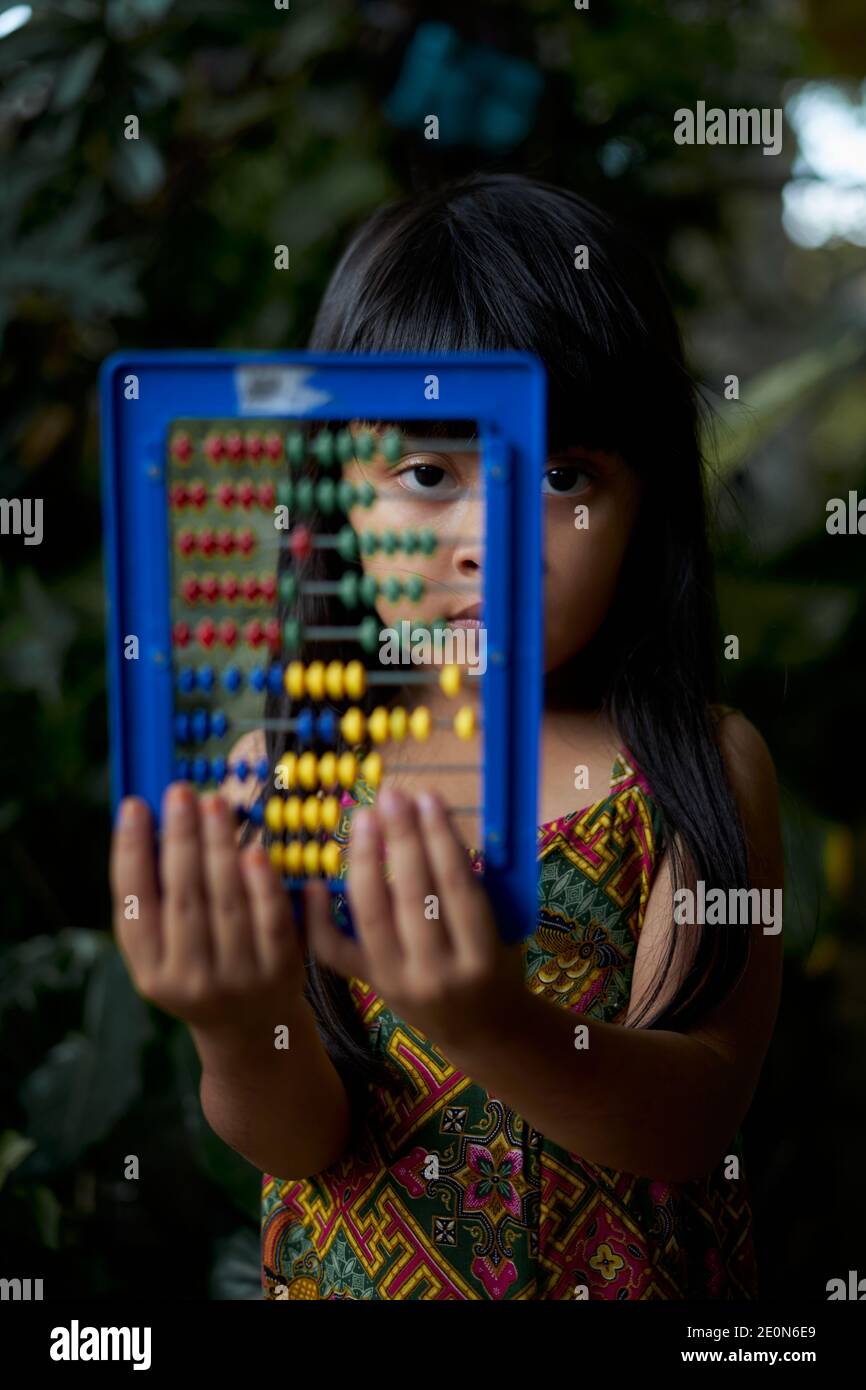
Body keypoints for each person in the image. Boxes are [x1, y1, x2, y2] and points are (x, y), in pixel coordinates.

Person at [110, 173, 783, 1300]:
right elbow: (296, 1144)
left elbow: (694, 1117)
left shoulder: (692, 769)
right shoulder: (284, 777)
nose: (491, 538)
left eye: (563, 474)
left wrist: (492, 1023)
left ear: (644, 505)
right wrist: (237, 1028)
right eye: (428, 472)